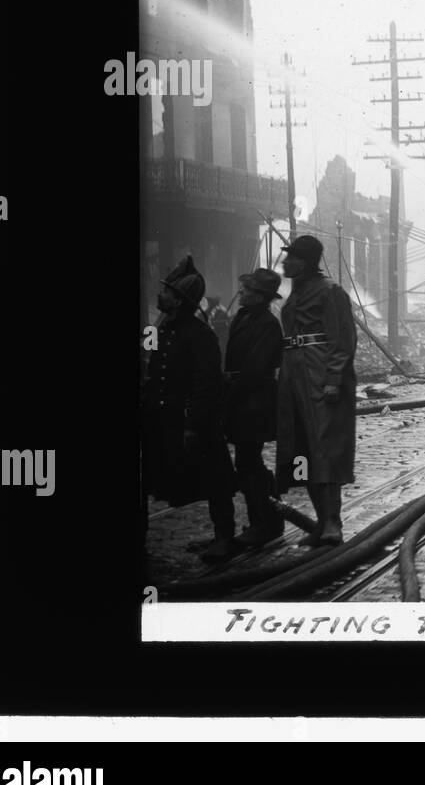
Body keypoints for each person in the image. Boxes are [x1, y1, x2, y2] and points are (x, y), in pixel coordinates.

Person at [141, 255, 237, 563]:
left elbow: (207, 385)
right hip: (161, 420)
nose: (162, 295)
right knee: (149, 478)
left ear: (179, 299)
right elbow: (149, 369)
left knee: (215, 479)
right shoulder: (160, 330)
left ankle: (224, 537)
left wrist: (193, 424)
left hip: (192, 423)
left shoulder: (201, 334)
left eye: (167, 291)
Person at [275, 234, 357, 548]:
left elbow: (343, 339)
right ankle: (320, 522)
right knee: (302, 448)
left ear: (305, 262)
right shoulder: (295, 294)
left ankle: (333, 522)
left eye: (291, 257)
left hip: (319, 373)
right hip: (294, 374)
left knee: (326, 446)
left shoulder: (330, 292)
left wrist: (334, 379)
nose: (285, 262)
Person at [224, 268, 285, 548]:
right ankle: (264, 520)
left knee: (249, 461)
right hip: (242, 399)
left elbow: (255, 368)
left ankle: (266, 522)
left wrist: (231, 392)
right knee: (247, 462)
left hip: (255, 401)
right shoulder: (242, 318)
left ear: (260, 297)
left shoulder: (268, 324)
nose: (242, 293)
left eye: (248, 290)